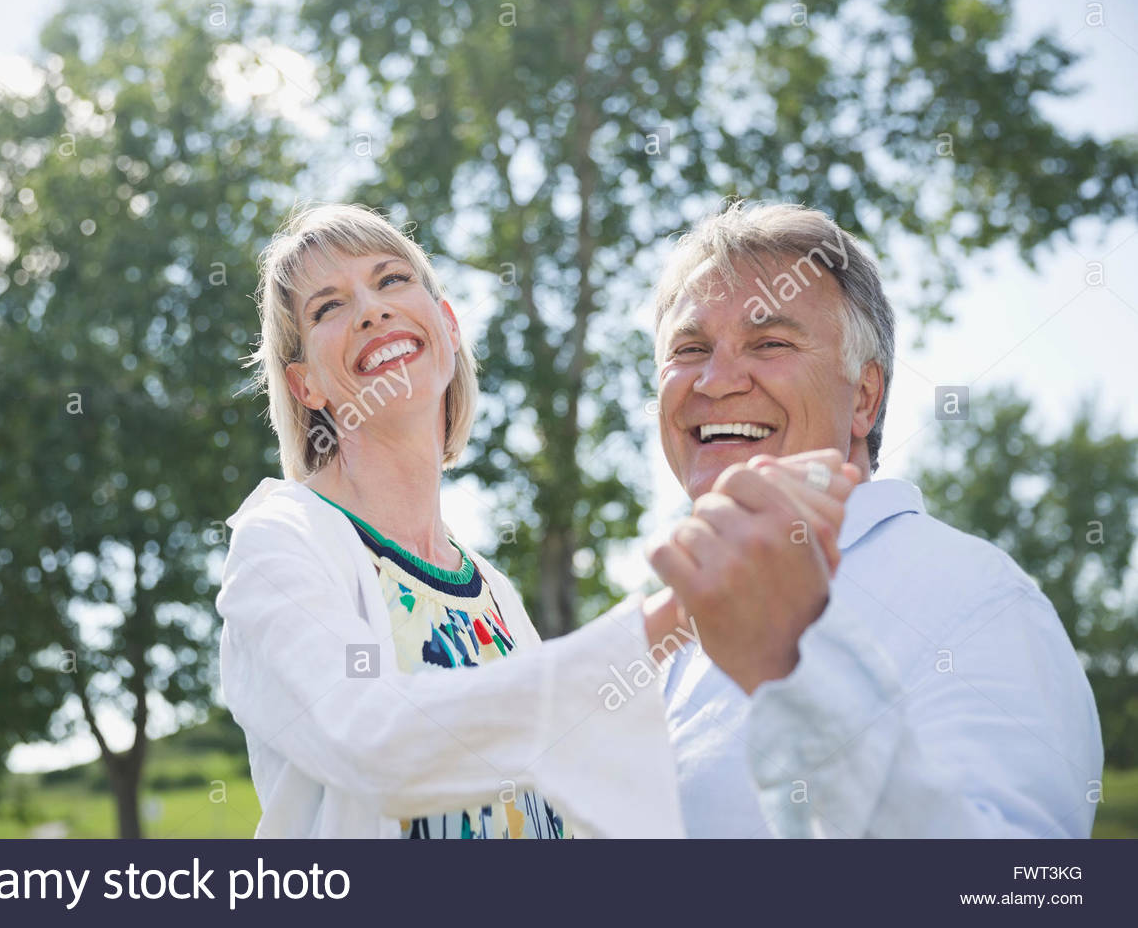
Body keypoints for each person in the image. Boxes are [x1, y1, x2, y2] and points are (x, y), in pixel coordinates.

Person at [216, 203, 856, 838]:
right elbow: (366, 739)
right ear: (306, 387)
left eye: (391, 280)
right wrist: (677, 611)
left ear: (446, 325)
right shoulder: (281, 540)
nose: (370, 310)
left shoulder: (491, 590)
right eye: (328, 307)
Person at [645, 202, 1104, 837]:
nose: (716, 380)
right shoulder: (659, 633)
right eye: (690, 349)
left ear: (864, 397)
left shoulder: (981, 599)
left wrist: (793, 677)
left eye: (770, 341)